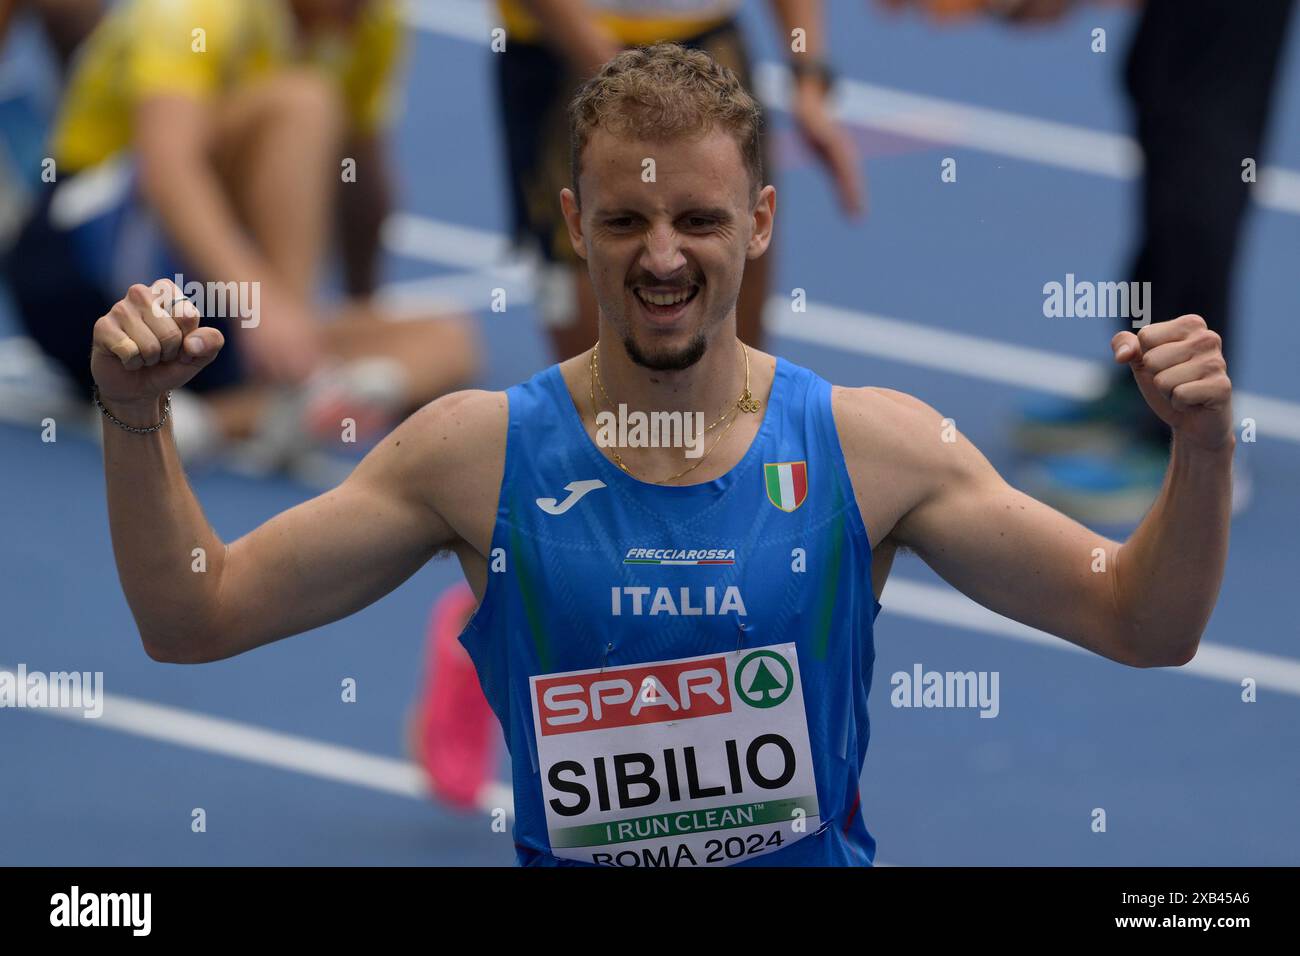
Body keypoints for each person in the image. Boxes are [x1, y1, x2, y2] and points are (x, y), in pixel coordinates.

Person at [93, 44, 1233, 866]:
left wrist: (1196, 446)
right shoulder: (470, 455)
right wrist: (134, 420)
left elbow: (1143, 621)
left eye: (699, 219)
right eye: (628, 222)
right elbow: (197, 617)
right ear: (574, 223)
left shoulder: (875, 449)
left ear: (762, 223)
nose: (664, 256)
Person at [412, 0, 867, 811]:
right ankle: (486, 612)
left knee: (731, 404)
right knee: (584, 441)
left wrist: (808, 73)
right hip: (567, 58)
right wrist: (615, 98)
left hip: (708, 52)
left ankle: (698, 700)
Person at [0, 0, 479, 466]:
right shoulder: (196, 10)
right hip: (80, 268)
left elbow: (364, 188)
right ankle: (292, 382)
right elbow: (167, 167)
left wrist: (358, 305)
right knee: (303, 103)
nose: (361, 9)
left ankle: (217, 418)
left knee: (448, 340)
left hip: (211, 306)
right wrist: (267, 306)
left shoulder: (373, 19)